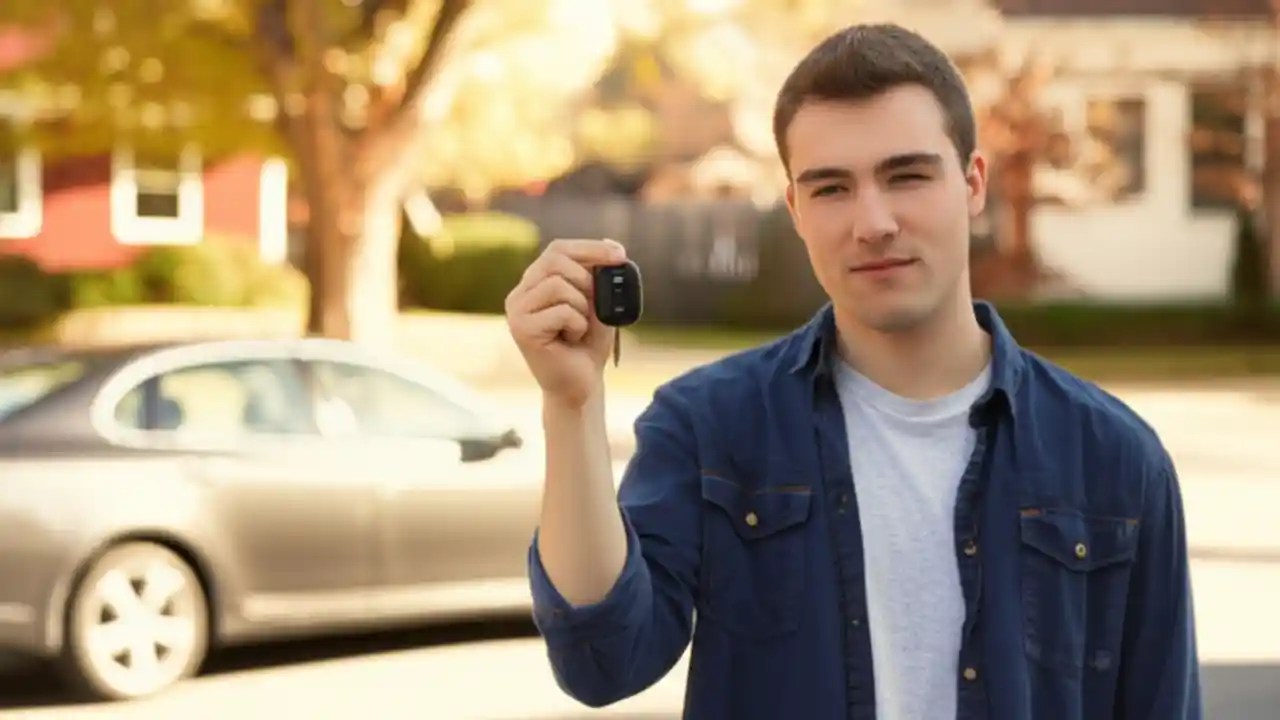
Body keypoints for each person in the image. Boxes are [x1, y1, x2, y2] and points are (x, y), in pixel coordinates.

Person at [504, 23, 1201, 720]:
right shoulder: (711, 428)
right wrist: (571, 406)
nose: (873, 222)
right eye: (832, 188)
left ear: (973, 184)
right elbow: (602, 662)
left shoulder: (1115, 460)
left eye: (907, 176)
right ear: (796, 211)